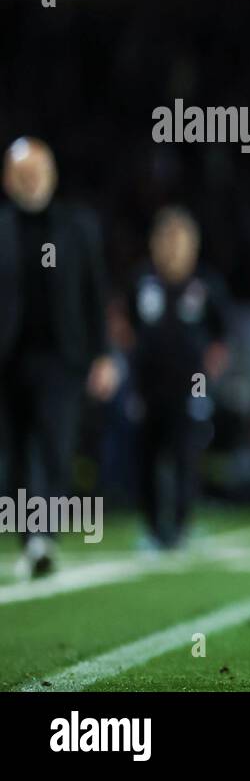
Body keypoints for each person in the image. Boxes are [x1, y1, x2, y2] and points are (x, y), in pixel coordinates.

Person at [0, 137, 118, 577]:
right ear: (8, 180)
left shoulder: (77, 226)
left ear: (51, 175)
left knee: (55, 447)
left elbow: (95, 291)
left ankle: (42, 535)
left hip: (62, 360)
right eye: (22, 174)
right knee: (14, 451)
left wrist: (102, 355)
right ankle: (27, 536)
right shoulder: (4, 225)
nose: (31, 181)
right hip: (9, 360)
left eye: (38, 172)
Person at [126, 207, 230, 549]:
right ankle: (154, 527)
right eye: (165, 240)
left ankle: (182, 525)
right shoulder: (142, 281)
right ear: (154, 244)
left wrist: (213, 364)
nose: (172, 248)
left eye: (179, 240)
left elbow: (221, 333)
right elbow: (123, 325)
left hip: (191, 386)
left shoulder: (205, 285)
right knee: (146, 456)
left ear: (192, 245)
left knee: (186, 455)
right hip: (147, 386)